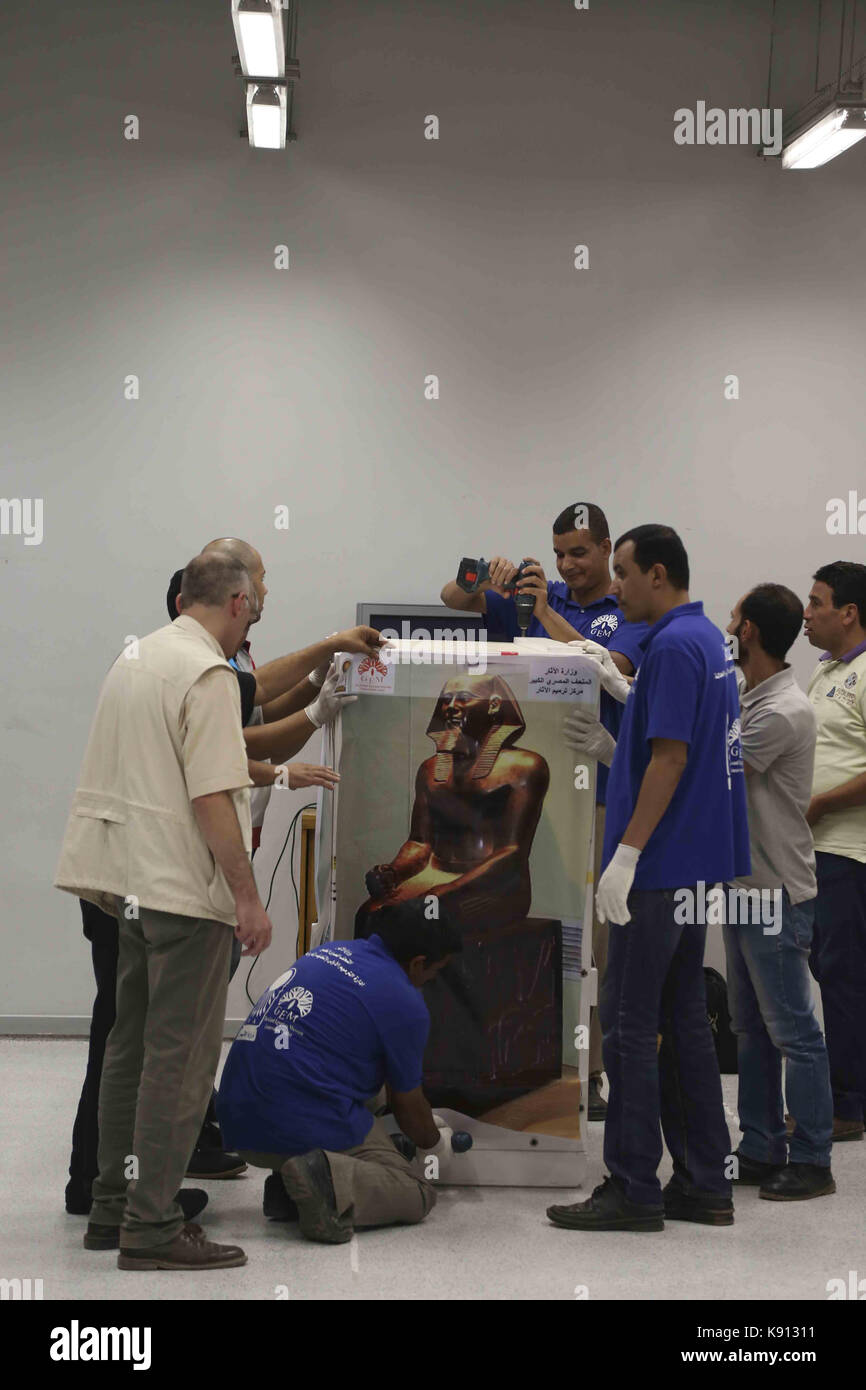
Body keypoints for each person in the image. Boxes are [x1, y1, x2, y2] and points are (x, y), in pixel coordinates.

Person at [55, 552, 272, 1271]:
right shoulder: (208, 675)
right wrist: (247, 898)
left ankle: (111, 1210)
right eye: (261, 592)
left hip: (130, 889)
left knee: (129, 1050)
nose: (263, 603)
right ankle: (151, 1230)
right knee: (178, 1066)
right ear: (238, 601)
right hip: (184, 894)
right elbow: (212, 795)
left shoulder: (137, 658)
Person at [547, 524, 750, 1233]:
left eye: (625, 574)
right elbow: (678, 741)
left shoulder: (667, 647)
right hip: (697, 868)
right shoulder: (706, 645)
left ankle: (631, 1187)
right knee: (685, 1022)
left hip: (657, 867)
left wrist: (625, 856)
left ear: (656, 575)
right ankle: (704, 1183)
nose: (616, 587)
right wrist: (618, 726)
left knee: (631, 1029)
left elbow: (669, 758)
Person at [441, 503, 649, 1119]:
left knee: (601, 944)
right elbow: (452, 597)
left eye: (579, 553)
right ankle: (533, 1058)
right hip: (536, 796)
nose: (567, 565)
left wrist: (546, 615)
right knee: (543, 931)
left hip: (605, 796)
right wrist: (487, 578)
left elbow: (616, 670)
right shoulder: (539, 594)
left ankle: (593, 1075)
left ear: (607, 549)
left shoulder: (626, 612)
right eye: (558, 553)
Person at [217, 900, 462, 1243]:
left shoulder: (329, 952)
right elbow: (407, 1108)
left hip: (237, 1121)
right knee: (415, 1191)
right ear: (419, 963)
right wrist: (435, 1145)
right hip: (286, 1123)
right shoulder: (406, 1003)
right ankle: (326, 1182)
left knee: (369, 1083)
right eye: (435, 972)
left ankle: (294, 1188)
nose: (431, 981)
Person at [723, 584, 834, 1199]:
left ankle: (814, 1159)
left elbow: (710, 768)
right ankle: (761, 1148)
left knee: (795, 1031)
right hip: (743, 889)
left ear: (753, 633)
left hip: (777, 893)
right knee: (750, 1028)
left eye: (734, 616)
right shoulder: (746, 693)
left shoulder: (783, 711)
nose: (726, 623)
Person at [804, 561, 866, 1143]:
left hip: (849, 849)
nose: (808, 612)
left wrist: (821, 804)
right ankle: (845, 1092)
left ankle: (849, 1106)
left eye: (818, 602)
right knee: (831, 971)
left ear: (848, 612)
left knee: (844, 975)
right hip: (816, 848)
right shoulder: (825, 672)